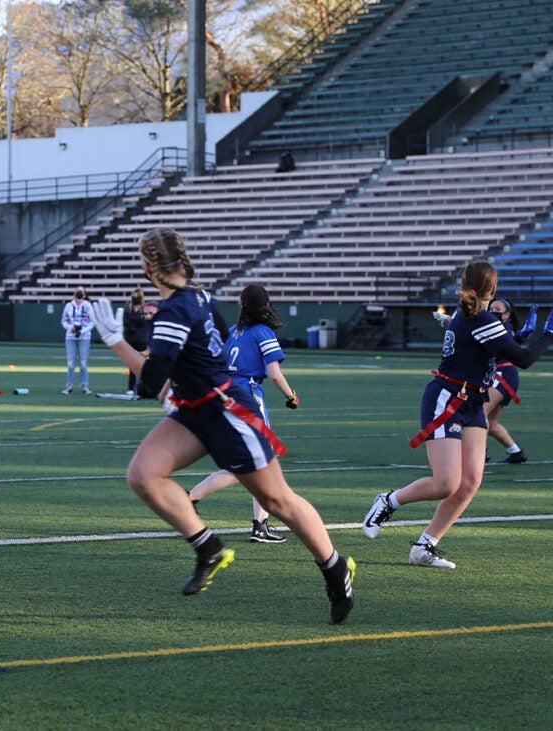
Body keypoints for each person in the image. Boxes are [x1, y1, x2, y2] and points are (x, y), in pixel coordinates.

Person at [92, 228, 355, 624]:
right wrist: (178, 387)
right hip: (196, 409)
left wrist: (115, 340)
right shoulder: (199, 297)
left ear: (147, 268)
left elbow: (153, 376)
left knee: (276, 501)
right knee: (144, 475)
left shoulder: (177, 308)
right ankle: (208, 547)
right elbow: (198, 354)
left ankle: (335, 568)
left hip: (227, 413)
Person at [362, 261, 553, 569]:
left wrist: (515, 336)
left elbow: (489, 344)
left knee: (469, 482)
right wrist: (549, 334)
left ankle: (424, 547)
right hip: (448, 400)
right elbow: (523, 359)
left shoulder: (470, 314)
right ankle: (388, 501)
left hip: (471, 401)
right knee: (446, 483)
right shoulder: (480, 317)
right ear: (493, 289)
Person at [188, 284, 300, 544]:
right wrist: (291, 396)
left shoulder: (233, 331)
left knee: (247, 462)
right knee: (262, 461)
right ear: (266, 305)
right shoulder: (263, 332)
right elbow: (274, 373)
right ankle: (258, 525)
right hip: (248, 396)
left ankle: (192, 500)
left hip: (226, 394)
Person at [484, 297, 537, 464]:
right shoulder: (501, 327)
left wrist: (451, 319)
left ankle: (480, 452)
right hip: (502, 375)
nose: (492, 312)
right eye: (491, 309)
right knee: (491, 423)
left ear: (507, 315)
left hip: (502, 374)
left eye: (497, 310)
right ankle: (516, 453)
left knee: (478, 413)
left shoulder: (501, 327)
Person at [61, 286, 94, 395]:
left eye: (81, 292)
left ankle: (84, 386)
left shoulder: (88, 305)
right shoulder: (69, 306)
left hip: (84, 337)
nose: (79, 294)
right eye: (77, 291)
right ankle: (69, 385)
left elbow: (93, 322)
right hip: (70, 337)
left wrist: (82, 331)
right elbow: (63, 320)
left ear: (85, 294)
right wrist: (70, 328)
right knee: (70, 362)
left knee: (83, 362)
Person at [123, 288, 149, 395]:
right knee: (132, 364)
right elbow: (126, 322)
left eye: (137, 296)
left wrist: (135, 322)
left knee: (142, 364)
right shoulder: (128, 309)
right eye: (134, 295)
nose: (135, 297)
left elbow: (144, 321)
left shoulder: (145, 309)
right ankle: (131, 387)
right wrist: (135, 324)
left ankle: (142, 387)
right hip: (130, 340)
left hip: (141, 340)